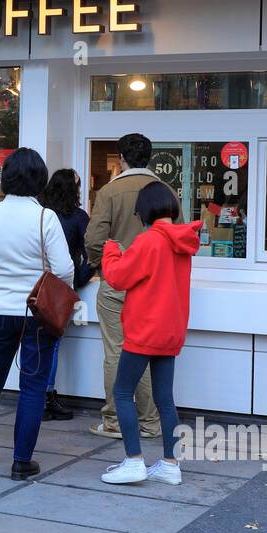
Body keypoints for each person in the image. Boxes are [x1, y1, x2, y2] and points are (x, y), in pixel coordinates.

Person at [0, 147, 73, 480]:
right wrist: (42, 290)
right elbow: (64, 269)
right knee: (33, 386)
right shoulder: (44, 217)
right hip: (37, 314)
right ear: (40, 179)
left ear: (6, 177)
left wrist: (0, 287)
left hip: (0, 310)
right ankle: (21, 461)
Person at [99, 182, 201, 485]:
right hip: (171, 331)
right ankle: (171, 464)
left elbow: (118, 277)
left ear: (145, 210)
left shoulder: (149, 241)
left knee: (122, 393)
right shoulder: (183, 242)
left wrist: (110, 251)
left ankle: (133, 461)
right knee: (165, 400)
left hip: (144, 329)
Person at [84, 133, 179, 440]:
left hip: (117, 282)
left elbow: (94, 239)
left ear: (121, 159)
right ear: (149, 158)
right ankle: (150, 423)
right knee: (150, 351)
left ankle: (113, 420)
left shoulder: (110, 191)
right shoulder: (167, 191)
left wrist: (104, 266)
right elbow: (175, 238)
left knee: (117, 351)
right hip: (156, 284)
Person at [40, 168, 94, 421]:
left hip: (33, 284)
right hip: (60, 287)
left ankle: (37, 394)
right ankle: (46, 397)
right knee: (51, 345)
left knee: (34, 344)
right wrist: (81, 278)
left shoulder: (40, 213)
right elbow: (93, 251)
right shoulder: (78, 217)